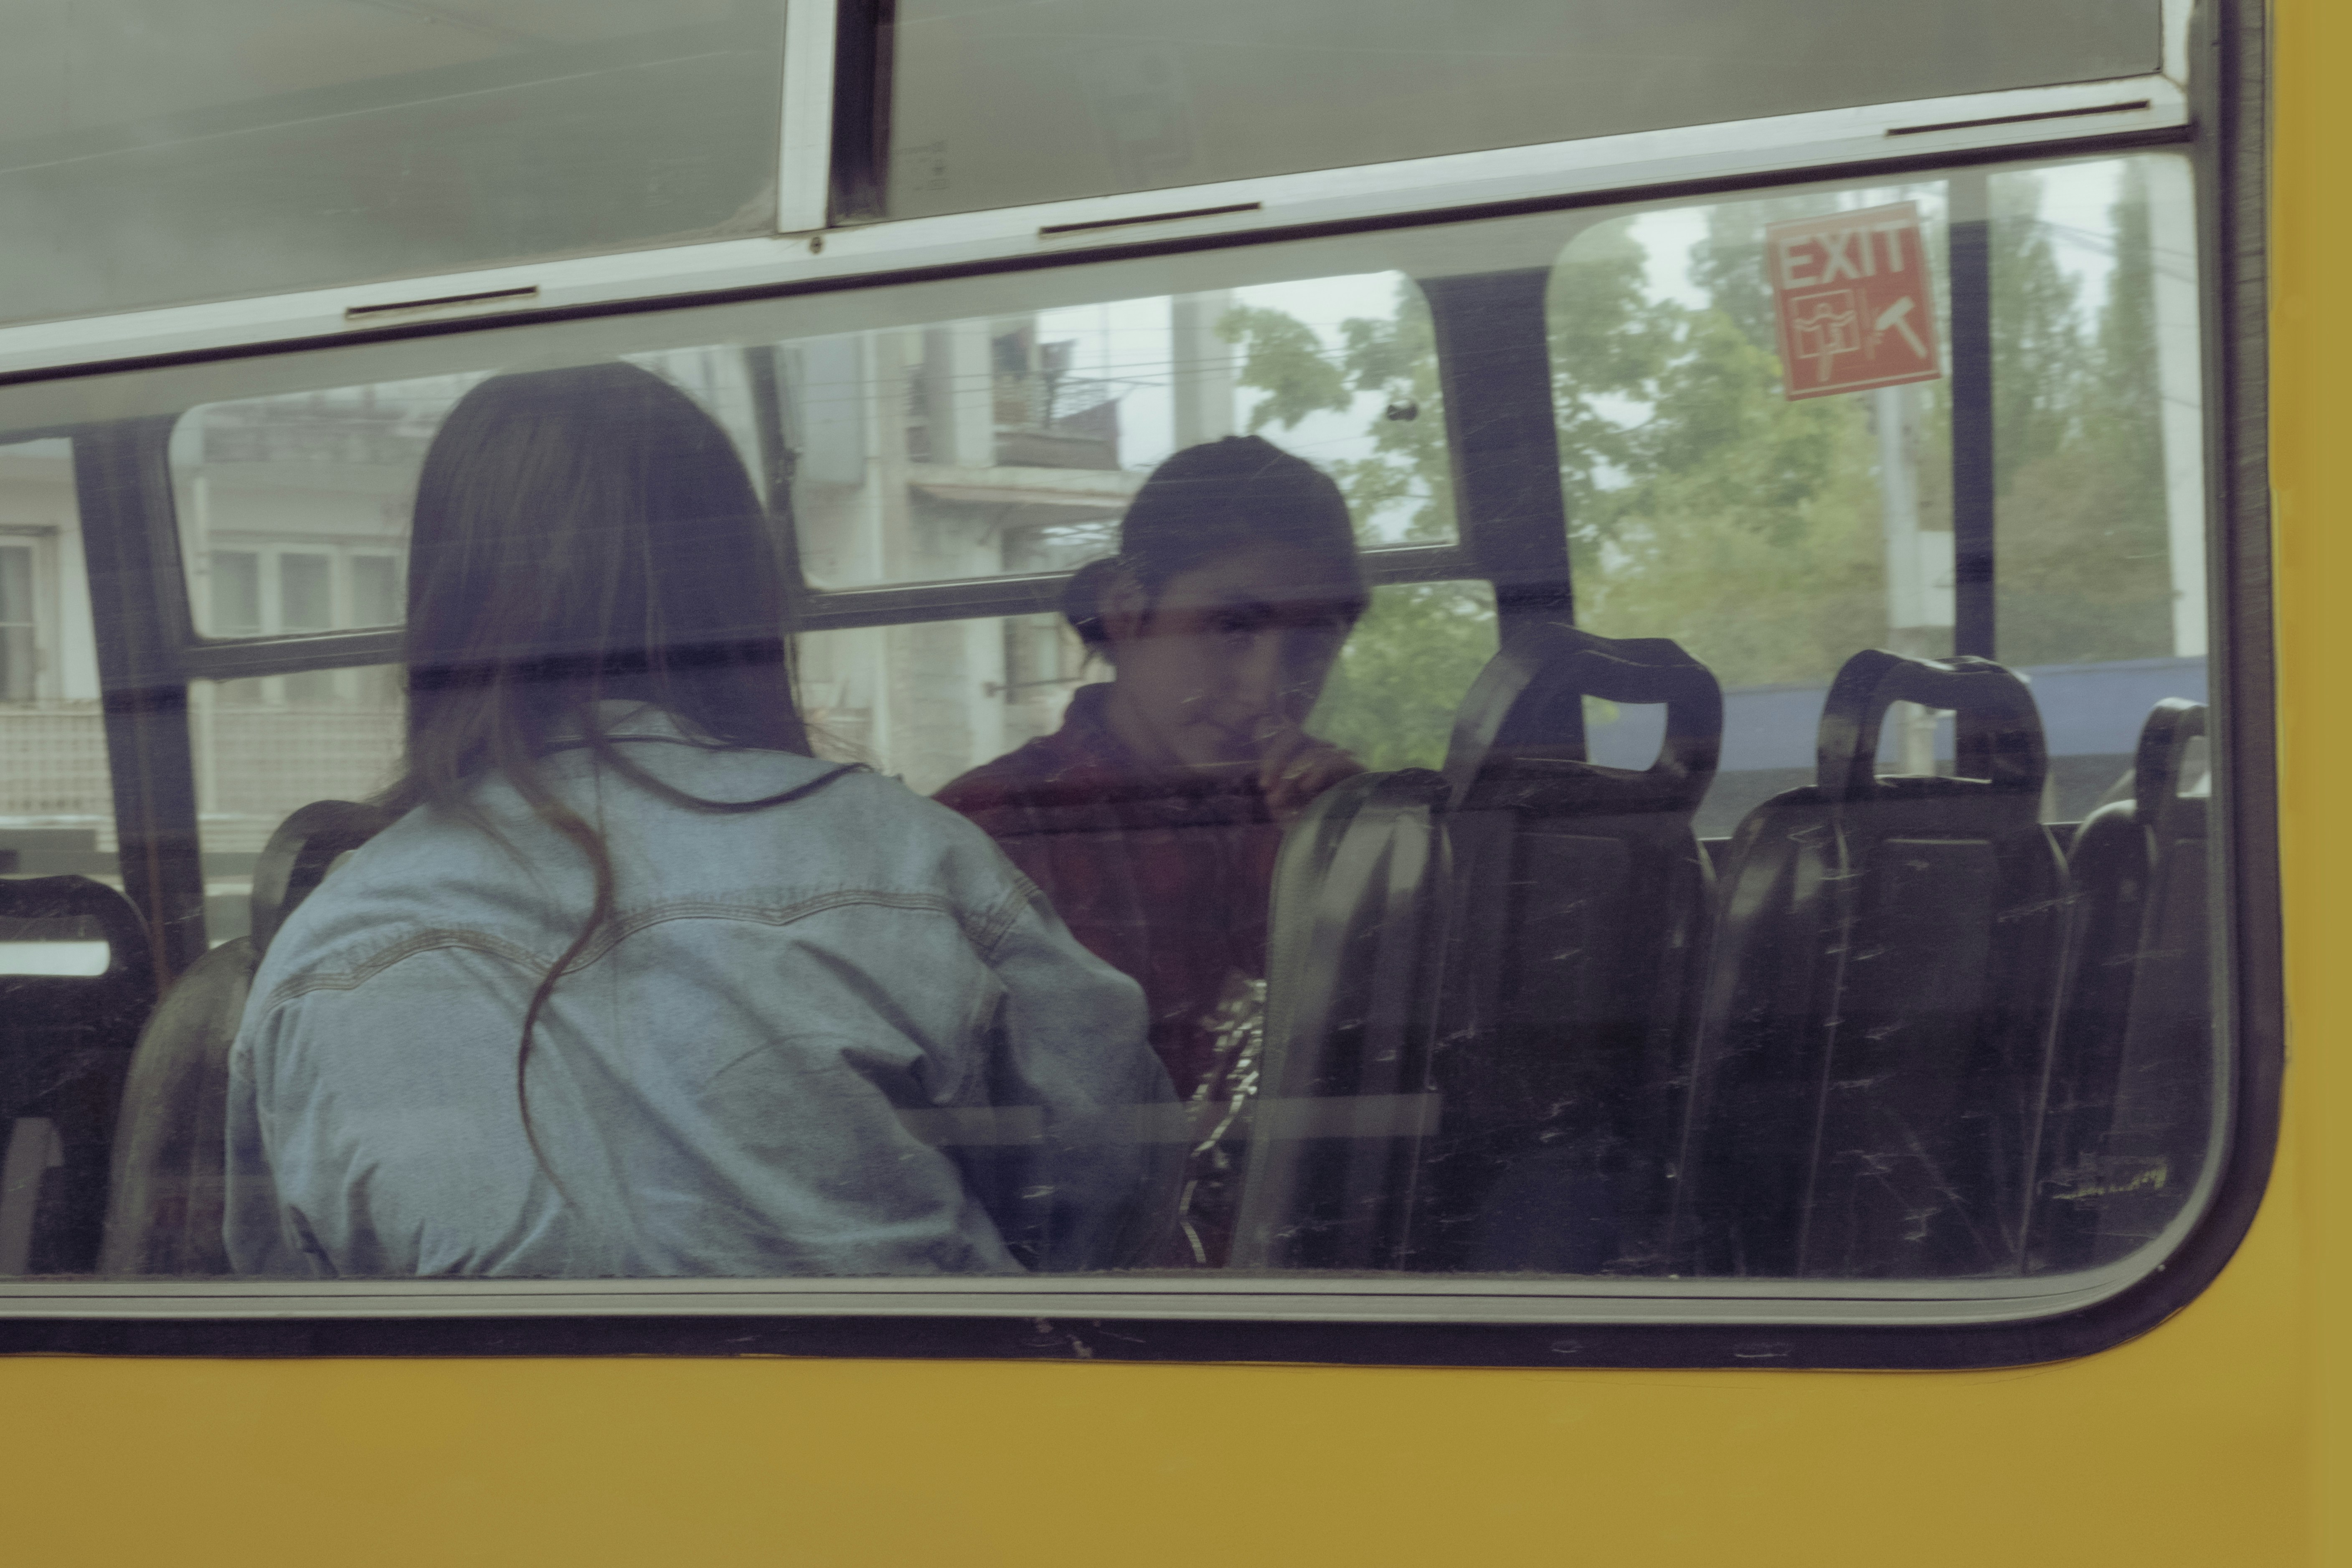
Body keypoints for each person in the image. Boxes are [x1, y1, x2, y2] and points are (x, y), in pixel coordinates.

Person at [225, 362, 1177, 1279]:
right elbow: (1111, 1188)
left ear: (443, 609)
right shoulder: (907, 861)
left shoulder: (322, 951)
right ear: (737, 592)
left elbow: (297, 1296)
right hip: (912, 1433)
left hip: (481, 1449)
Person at [934, 436, 1370, 1261]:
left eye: (1311, 646)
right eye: (1230, 628)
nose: (1267, 688)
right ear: (1129, 609)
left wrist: (1358, 865)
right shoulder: (993, 830)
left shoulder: (1319, 821)